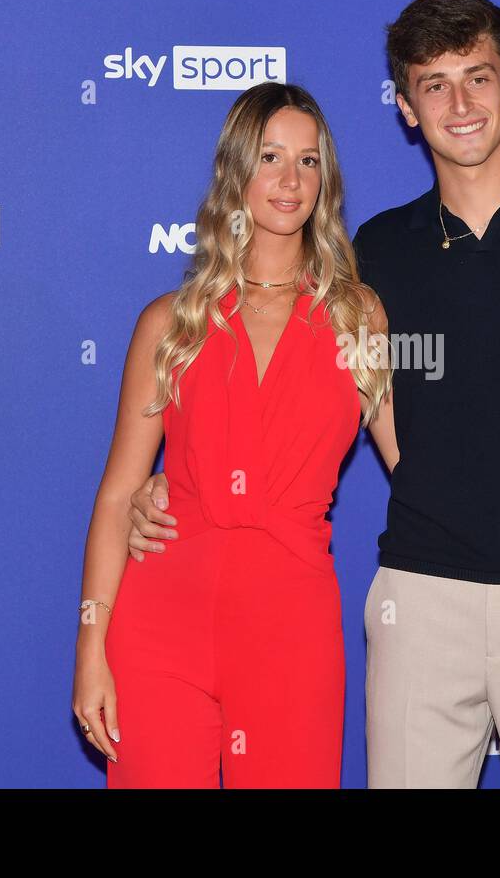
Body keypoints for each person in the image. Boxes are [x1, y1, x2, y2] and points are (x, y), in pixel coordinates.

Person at [126, 0, 500, 788]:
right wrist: (170, 485)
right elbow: (322, 406)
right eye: (434, 85)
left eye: (478, 77)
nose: (461, 104)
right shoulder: (377, 254)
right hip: (420, 600)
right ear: (405, 107)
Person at [70, 82, 396, 787]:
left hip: (291, 626)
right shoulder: (171, 322)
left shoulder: (357, 317)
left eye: (308, 161)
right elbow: (119, 494)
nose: (290, 180)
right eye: (270, 157)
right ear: (236, 170)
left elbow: (417, 465)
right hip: (160, 624)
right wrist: (91, 647)